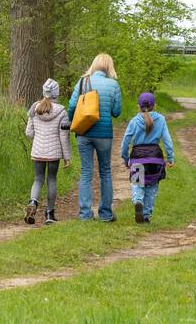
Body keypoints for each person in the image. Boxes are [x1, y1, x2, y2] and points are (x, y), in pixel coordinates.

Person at [66, 53, 123, 221]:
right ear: (109, 67)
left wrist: (73, 120)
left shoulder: (83, 81)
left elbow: (71, 105)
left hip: (84, 132)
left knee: (86, 172)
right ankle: (105, 213)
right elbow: (117, 112)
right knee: (105, 171)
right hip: (104, 134)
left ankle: (85, 214)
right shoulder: (113, 85)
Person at [120, 92, 175, 224]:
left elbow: (125, 141)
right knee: (151, 186)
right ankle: (145, 216)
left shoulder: (134, 121)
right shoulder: (161, 119)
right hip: (155, 158)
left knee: (138, 184)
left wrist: (125, 157)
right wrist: (170, 157)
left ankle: (138, 201)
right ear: (154, 105)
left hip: (138, 158)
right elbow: (167, 140)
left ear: (138, 106)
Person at [25, 79, 71, 225]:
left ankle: (33, 202)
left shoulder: (34, 109)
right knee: (51, 180)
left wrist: (38, 135)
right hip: (53, 154)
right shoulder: (62, 112)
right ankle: (50, 214)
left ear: (44, 92)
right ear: (56, 93)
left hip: (38, 151)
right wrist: (67, 157)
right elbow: (64, 137)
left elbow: (29, 133)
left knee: (38, 179)